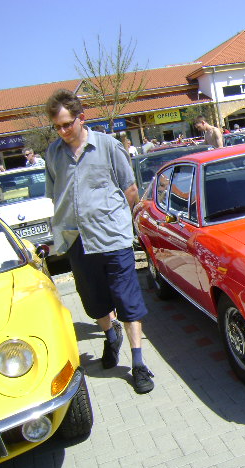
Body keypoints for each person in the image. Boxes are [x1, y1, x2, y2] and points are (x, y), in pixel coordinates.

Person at [43, 89, 154, 394]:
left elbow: (130, 189)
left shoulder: (108, 146)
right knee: (93, 300)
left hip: (113, 238)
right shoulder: (53, 154)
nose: (63, 131)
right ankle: (110, 334)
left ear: (81, 117)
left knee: (128, 300)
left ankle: (138, 362)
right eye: (58, 127)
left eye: (67, 124)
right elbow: (55, 196)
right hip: (78, 240)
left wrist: (125, 225)